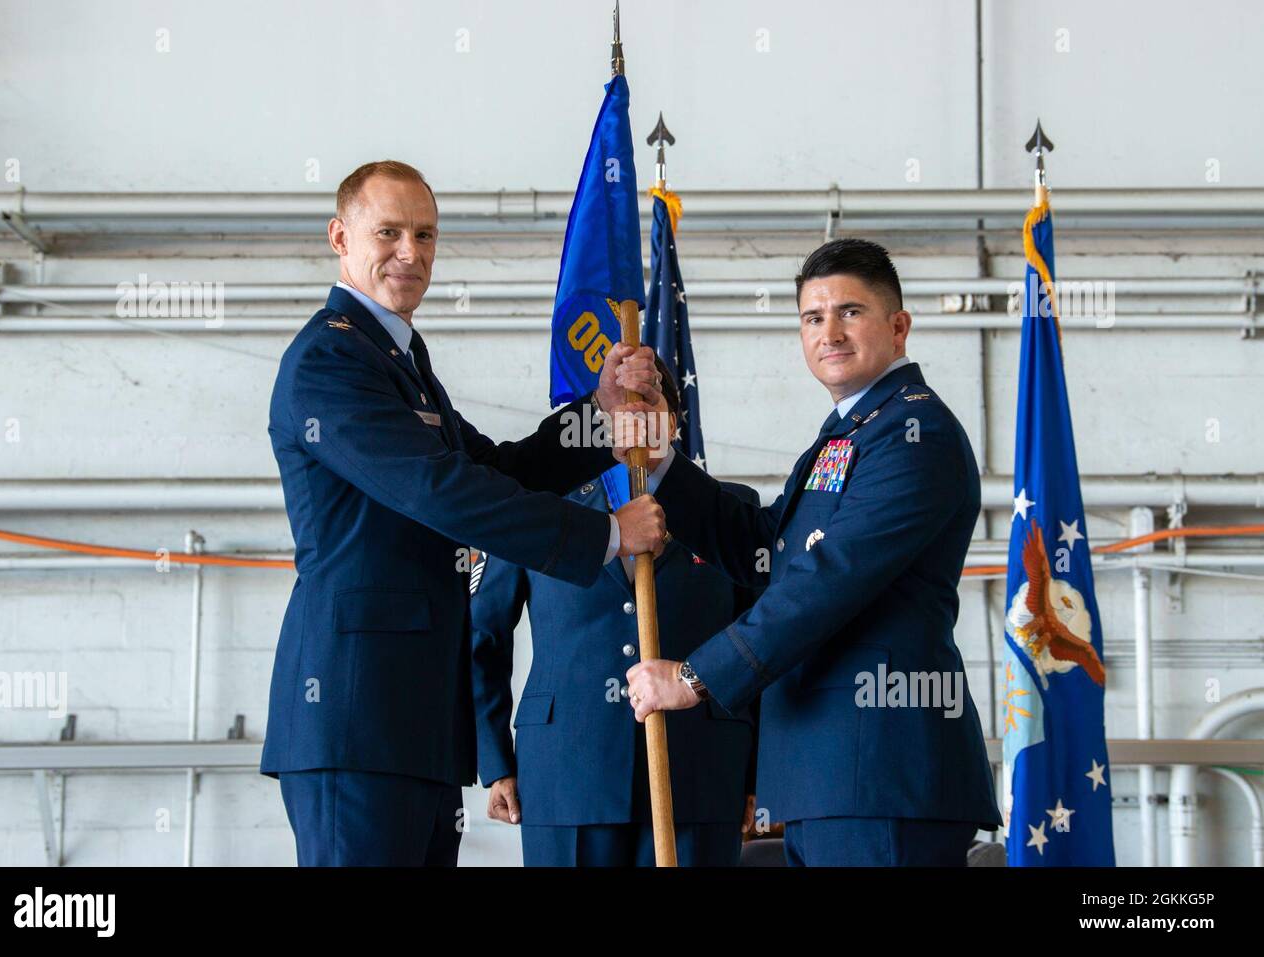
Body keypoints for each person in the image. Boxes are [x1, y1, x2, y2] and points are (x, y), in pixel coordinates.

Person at [260, 160, 667, 866]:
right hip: (356, 718)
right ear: (339, 235)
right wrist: (603, 533)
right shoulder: (329, 358)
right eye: (387, 232)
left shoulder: (398, 357)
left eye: (425, 234)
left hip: (411, 724)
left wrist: (598, 420)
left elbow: (494, 468)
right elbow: (439, 490)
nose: (410, 253)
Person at [619, 238, 1001, 866]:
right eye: (812, 317)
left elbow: (827, 580)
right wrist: (661, 458)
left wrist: (694, 677)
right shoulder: (850, 432)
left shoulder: (915, 433)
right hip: (825, 774)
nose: (830, 332)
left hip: (880, 771)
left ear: (899, 327)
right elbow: (765, 551)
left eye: (850, 312)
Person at [471, 359, 760, 866]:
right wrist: (496, 763)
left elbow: (764, 648)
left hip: (702, 771)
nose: (634, 418)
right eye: (620, 408)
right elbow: (482, 636)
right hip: (566, 770)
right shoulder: (537, 506)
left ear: (674, 421)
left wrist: (759, 776)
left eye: (649, 404)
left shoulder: (732, 510)